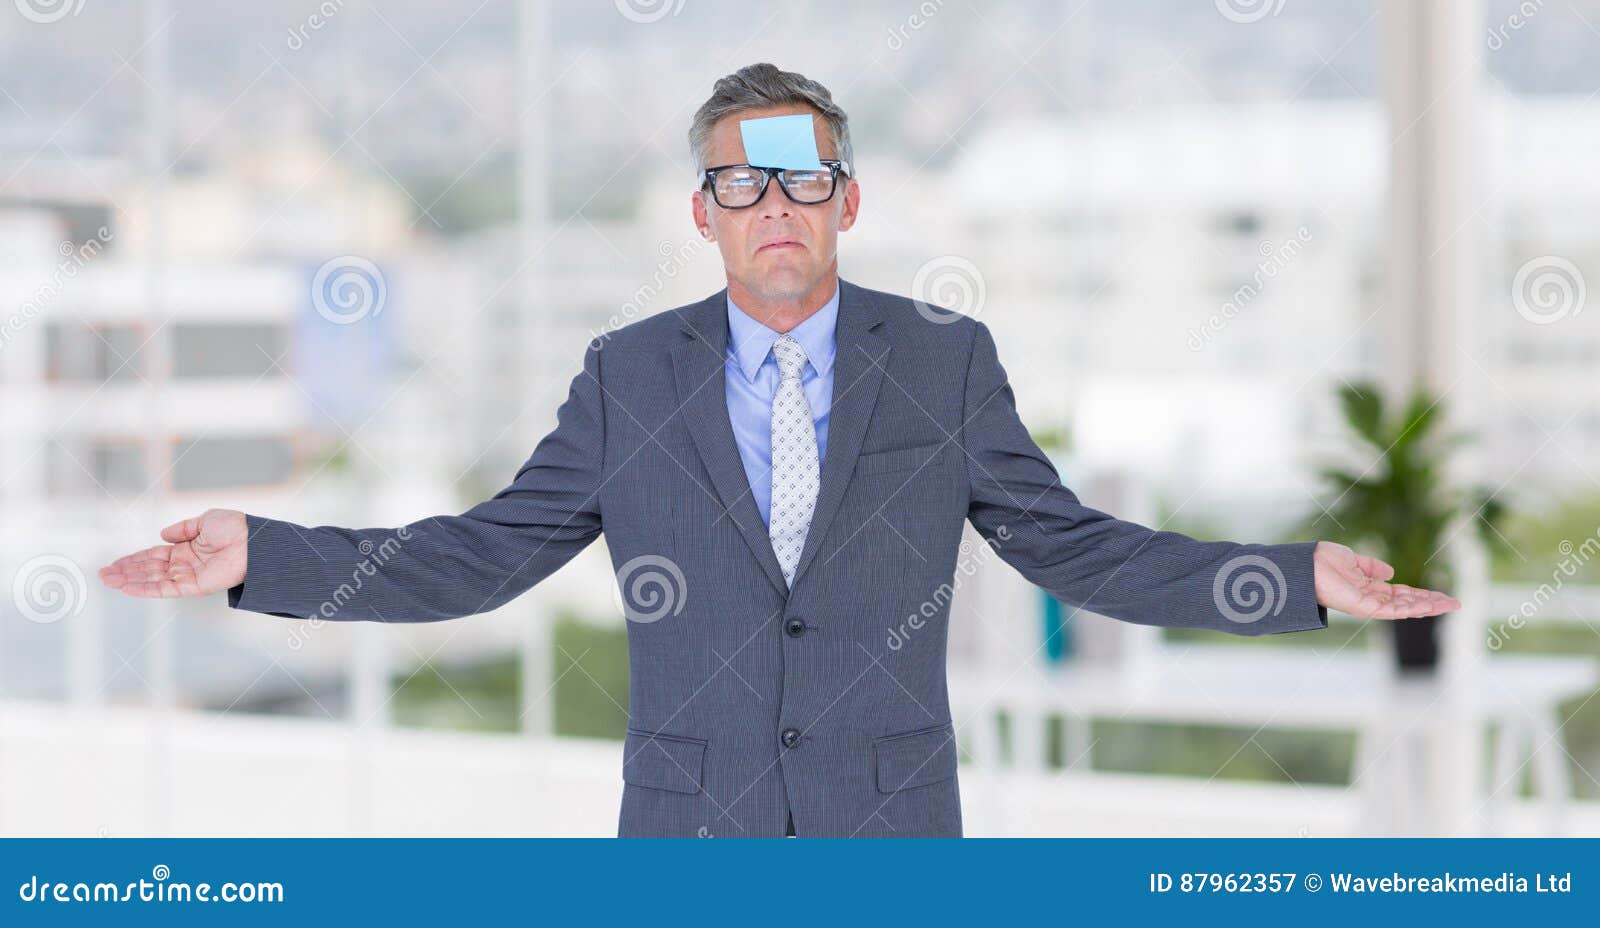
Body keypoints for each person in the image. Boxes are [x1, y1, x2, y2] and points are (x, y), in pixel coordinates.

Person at [100, 63, 1460, 838]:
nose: (774, 210)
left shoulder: (943, 360)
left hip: (891, 829)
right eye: (740, 184)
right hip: (689, 837)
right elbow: (481, 556)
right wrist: (257, 556)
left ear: (848, 197)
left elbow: (1076, 548)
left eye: (801, 179)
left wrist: (1291, 581)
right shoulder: (630, 376)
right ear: (705, 213)